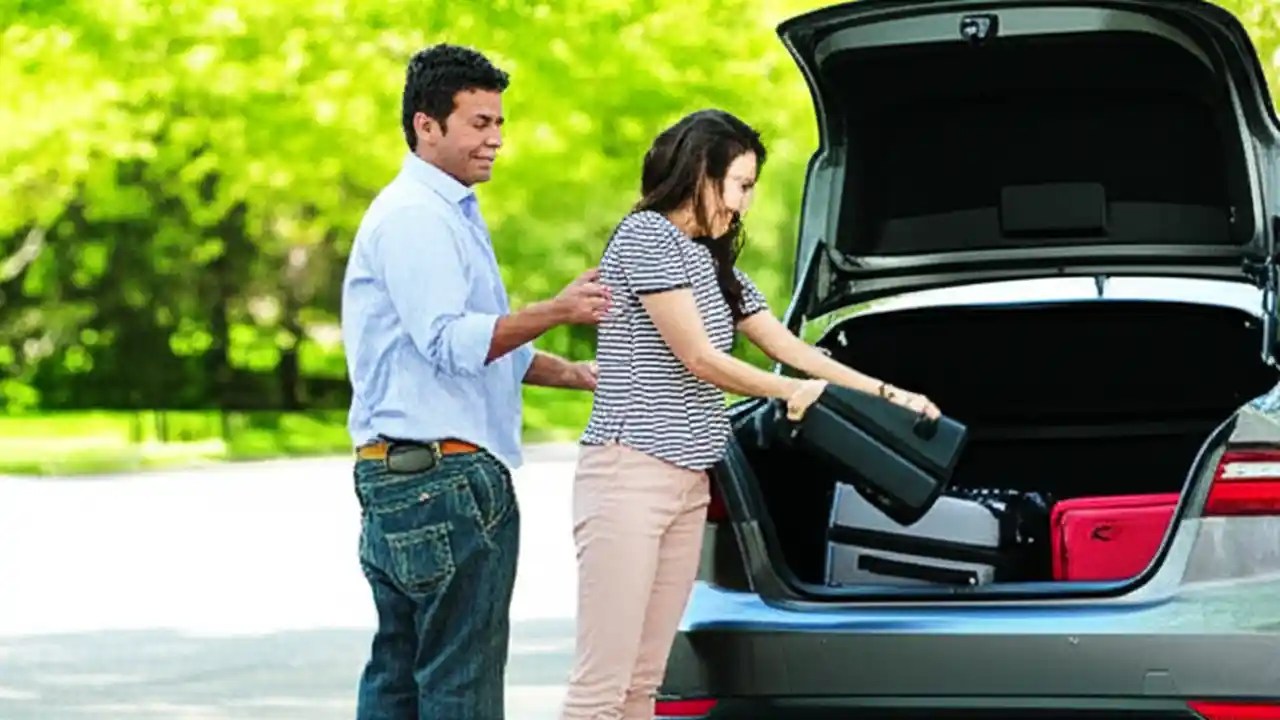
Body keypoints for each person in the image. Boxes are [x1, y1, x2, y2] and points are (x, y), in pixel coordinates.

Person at [559, 109, 940, 720]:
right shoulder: (646, 237)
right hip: (629, 475)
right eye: (740, 184)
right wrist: (783, 393)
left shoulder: (713, 264)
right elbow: (700, 358)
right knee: (602, 686)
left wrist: (888, 396)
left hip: (686, 480)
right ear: (700, 174)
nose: (744, 203)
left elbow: (791, 349)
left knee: (643, 685)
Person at [340, 44, 610, 720]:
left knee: (400, 679)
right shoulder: (416, 218)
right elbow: (453, 342)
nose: (495, 140)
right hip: (443, 484)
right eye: (478, 123)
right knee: (459, 687)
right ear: (425, 126)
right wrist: (557, 310)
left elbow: (492, 349)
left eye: (498, 124)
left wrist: (579, 374)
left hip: (412, 478)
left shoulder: (448, 212)